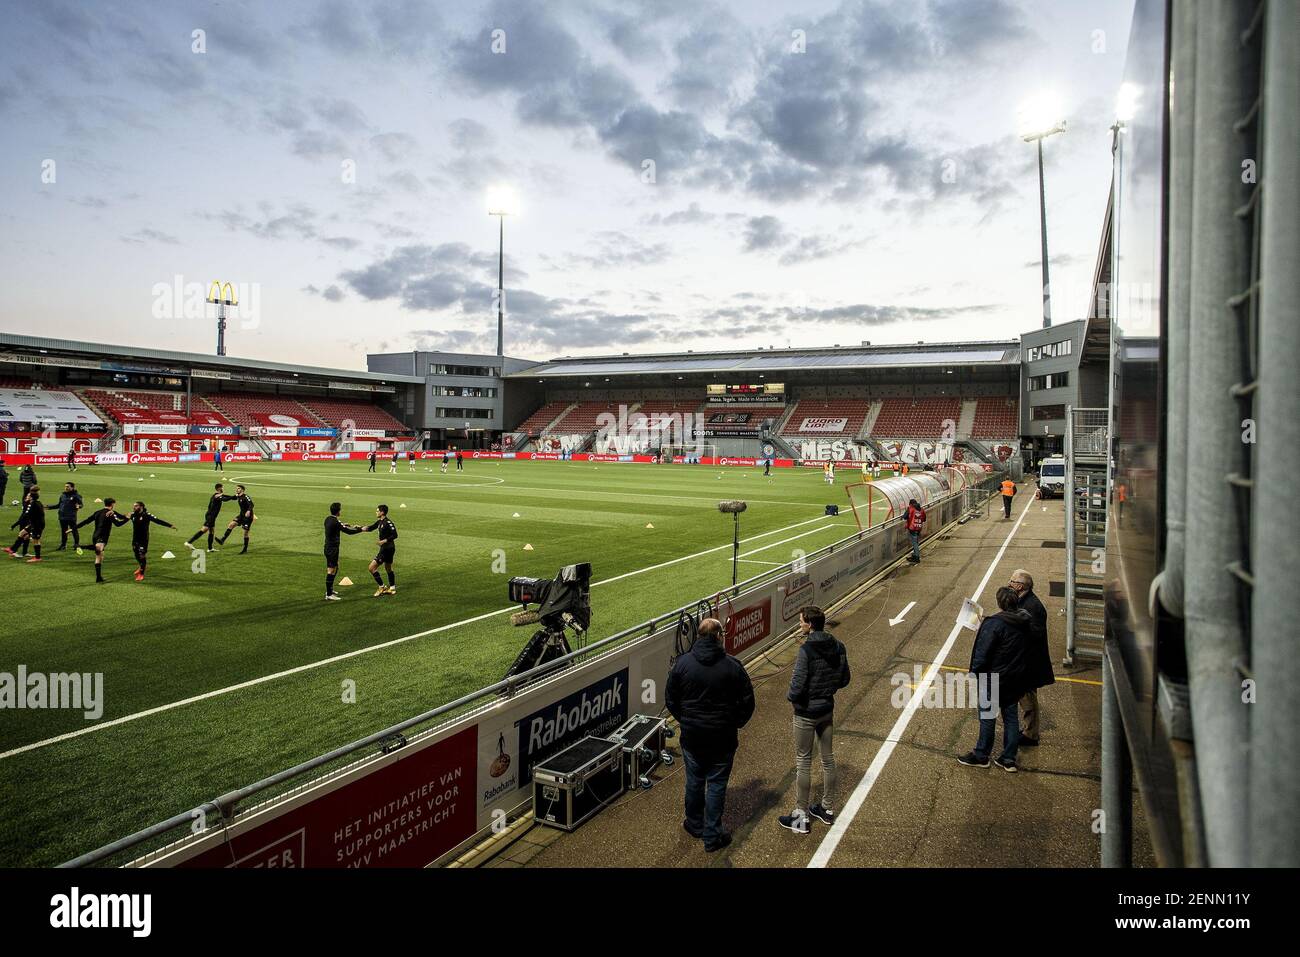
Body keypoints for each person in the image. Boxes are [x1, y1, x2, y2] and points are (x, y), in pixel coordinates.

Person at [665, 617, 755, 852]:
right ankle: (712, 835)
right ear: (719, 636)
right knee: (716, 784)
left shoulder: (682, 664)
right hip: (722, 736)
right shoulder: (733, 665)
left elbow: (671, 700)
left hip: (693, 736)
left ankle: (695, 824)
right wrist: (735, 723)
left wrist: (686, 720)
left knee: (694, 781)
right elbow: (747, 702)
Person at [778, 606, 851, 834]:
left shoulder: (806, 651)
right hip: (827, 709)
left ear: (809, 624)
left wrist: (794, 700)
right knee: (828, 759)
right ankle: (827, 809)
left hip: (806, 714)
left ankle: (800, 818)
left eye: (801, 621)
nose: (799, 624)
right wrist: (827, 689)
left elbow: (796, 686)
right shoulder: (838, 646)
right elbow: (845, 679)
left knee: (803, 762)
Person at [958, 586, 1033, 772]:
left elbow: (983, 653)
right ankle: (1008, 758)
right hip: (1015, 677)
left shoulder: (994, 624)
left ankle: (981, 755)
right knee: (1011, 717)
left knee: (987, 717)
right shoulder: (1024, 621)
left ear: (1000, 603)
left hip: (993, 678)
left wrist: (975, 672)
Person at [1009, 569, 1053, 746]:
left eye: (1011, 581)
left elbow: (1035, 633)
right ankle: (1029, 730)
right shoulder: (1024, 602)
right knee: (1026, 695)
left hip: (1028, 661)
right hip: (1026, 659)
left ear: (1019, 586)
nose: (1009, 584)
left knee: (1027, 697)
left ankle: (1031, 734)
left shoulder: (1032, 607)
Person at [77, 497, 129, 582]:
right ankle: (81, 546)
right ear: (112, 504)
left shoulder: (98, 512)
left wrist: (74, 528)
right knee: (98, 549)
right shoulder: (111, 513)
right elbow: (118, 523)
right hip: (102, 536)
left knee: (99, 556)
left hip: (95, 535)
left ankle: (99, 577)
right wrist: (127, 519)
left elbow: (86, 521)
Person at [323, 502, 363, 600]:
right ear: (338, 511)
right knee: (331, 570)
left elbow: (335, 526)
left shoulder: (328, 519)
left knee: (336, 567)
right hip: (332, 549)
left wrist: (343, 524)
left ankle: (330, 589)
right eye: (340, 509)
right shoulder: (336, 522)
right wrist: (360, 529)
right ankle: (328, 594)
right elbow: (349, 532)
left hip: (329, 547)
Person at [129, 501, 175, 581]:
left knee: (142, 555)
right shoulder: (133, 514)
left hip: (143, 539)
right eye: (134, 506)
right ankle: (141, 566)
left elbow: (158, 521)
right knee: (136, 553)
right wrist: (112, 512)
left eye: (136, 506)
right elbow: (123, 517)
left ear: (141, 507)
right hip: (135, 538)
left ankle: (141, 574)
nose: (134, 507)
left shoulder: (147, 515)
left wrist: (170, 525)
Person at [359, 504, 398, 597]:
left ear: (382, 512)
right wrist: (359, 528)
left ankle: (382, 586)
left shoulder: (388, 522)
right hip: (388, 548)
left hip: (387, 548)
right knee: (388, 568)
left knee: (371, 568)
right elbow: (370, 528)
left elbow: (395, 535)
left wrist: (384, 541)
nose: (376, 512)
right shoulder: (380, 522)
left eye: (377, 511)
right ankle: (392, 588)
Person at [185, 483, 237, 553]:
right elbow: (225, 499)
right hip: (211, 516)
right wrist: (234, 496)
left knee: (211, 531)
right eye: (222, 487)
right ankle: (189, 542)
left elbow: (229, 497)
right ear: (219, 488)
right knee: (204, 530)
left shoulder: (217, 495)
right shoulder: (217, 496)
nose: (223, 489)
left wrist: (236, 496)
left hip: (211, 515)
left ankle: (210, 548)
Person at [7, 487, 45, 562]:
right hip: (34, 524)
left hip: (37, 525)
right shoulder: (37, 503)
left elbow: (27, 515)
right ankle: (12, 549)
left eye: (28, 496)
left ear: (31, 497)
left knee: (36, 540)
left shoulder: (33, 504)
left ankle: (37, 558)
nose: (27, 497)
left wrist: (17, 523)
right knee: (22, 533)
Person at [217, 484, 255, 553]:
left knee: (245, 533)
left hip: (248, 517)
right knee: (231, 524)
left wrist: (249, 511)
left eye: (238, 488)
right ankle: (222, 540)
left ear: (242, 490)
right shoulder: (238, 496)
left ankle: (245, 549)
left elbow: (251, 504)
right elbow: (231, 497)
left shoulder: (246, 496)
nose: (237, 489)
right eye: (237, 488)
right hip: (241, 515)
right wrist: (221, 495)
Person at [51, 481, 84, 552]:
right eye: (65, 486)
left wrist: (79, 506)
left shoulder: (76, 496)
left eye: (68, 487)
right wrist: (49, 507)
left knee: (74, 530)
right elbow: (59, 505)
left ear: (72, 487)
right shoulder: (63, 495)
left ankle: (76, 545)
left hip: (71, 517)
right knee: (64, 531)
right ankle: (63, 545)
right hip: (62, 517)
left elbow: (81, 504)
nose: (66, 488)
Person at [905, 498, 926, 564]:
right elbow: (924, 519)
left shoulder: (910, 508)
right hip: (919, 528)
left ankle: (916, 557)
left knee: (915, 543)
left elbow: (905, 516)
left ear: (910, 504)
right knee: (916, 542)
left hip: (912, 528)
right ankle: (914, 555)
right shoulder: (921, 509)